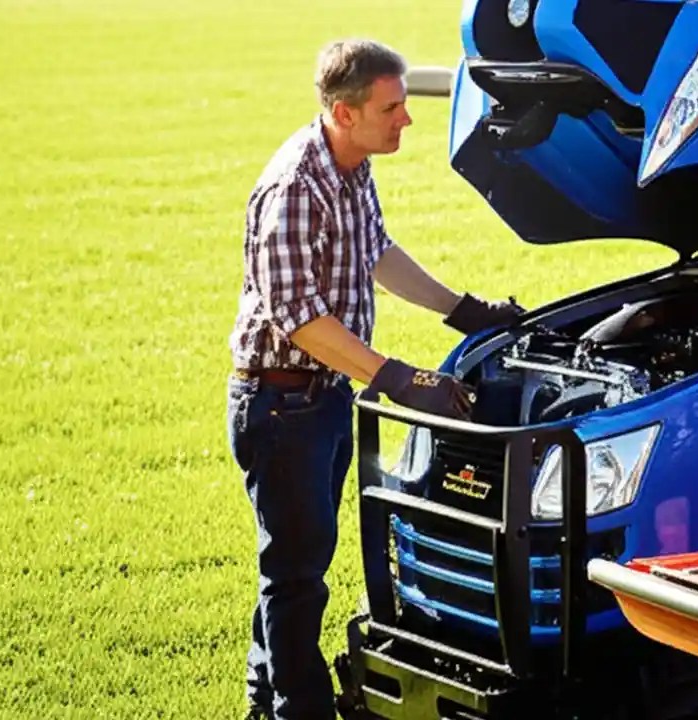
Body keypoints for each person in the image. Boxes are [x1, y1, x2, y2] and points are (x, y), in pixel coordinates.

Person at [226, 38, 522, 720]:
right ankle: (299, 709)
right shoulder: (297, 185)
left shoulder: (351, 167)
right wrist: (393, 376)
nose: (407, 120)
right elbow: (299, 318)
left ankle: (261, 704)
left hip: (319, 400)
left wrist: (464, 310)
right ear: (343, 111)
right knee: (296, 577)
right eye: (392, 108)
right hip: (280, 405)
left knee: (296, 565)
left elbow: (377, 251)